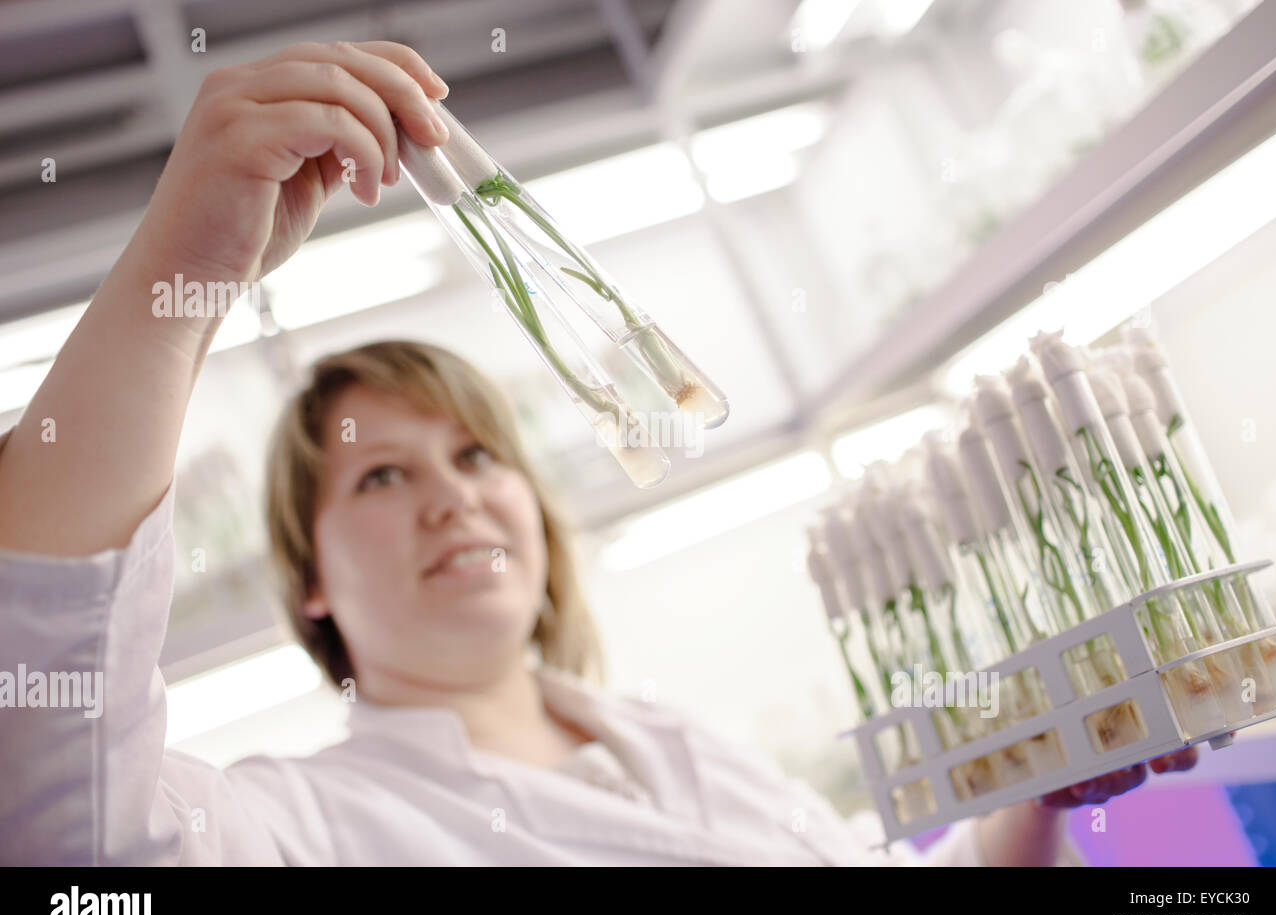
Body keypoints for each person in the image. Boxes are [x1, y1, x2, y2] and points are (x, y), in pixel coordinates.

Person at [0, 41, 1195, 866]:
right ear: (307, 579)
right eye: (380, 475)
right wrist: (175, 277)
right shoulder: (300, 825)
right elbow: (75, 843)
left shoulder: (688, 751)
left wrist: (1025, 802)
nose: (450, 501)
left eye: (476, 457)